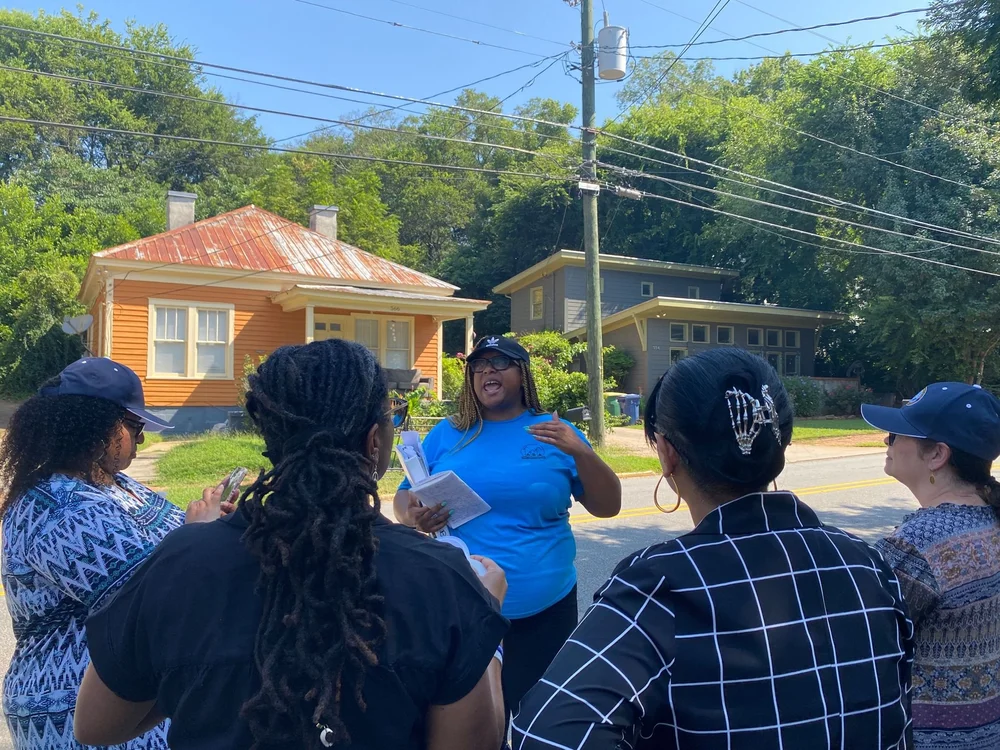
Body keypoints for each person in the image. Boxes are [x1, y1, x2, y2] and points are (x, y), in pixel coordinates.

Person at [75, 339, 510, 750]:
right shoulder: (442, 581)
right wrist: (481, 622)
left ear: (270, 437)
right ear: (375, 441)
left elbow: (96, 726)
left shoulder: (182, 563)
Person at [512, 347, 915, 749]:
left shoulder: (658, 586)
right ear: (781, 445)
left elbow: (544, 736)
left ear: (668, 454)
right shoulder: (868, 564)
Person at [0, 357, 227, 750]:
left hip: (123, 704)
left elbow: (171, 543)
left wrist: (214, 524)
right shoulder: (58, 509)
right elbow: (150, 599)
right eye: (135, 427)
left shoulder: (113, 485)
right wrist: (198, 536)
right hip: (73, 709)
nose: (141, 441)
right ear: (96, 423)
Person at [392, 335, 622, 715]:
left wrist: (581, 451)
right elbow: (404, 496)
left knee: (542, 717)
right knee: (475, 722)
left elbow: (608, 506)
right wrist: (413, 516)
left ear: (522, 373)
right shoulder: (448, 433)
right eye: (479, 365)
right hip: (464, 606)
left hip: (546, 611)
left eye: (500, 363)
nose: (487, 371)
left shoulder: (553, 432)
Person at [862, 384, 1000, 749]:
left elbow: (853, 643)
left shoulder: (918, 544)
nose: (886, 443)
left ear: (937, 454)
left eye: (894, 435)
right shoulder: (989, 518)